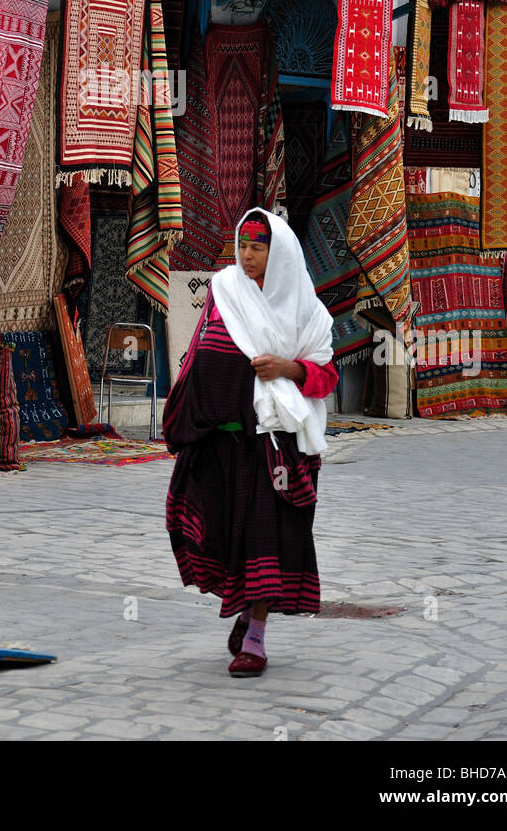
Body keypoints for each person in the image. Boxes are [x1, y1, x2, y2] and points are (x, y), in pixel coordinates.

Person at [164, 207, 338, 677]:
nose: (247, 256)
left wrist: (287, 369)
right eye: (242, 246)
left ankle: (256, 640)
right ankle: (244, 608)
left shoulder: (306, 310)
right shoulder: (224, 292)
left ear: (276, 253)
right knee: (219, 534)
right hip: (219, 440)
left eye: (257, 248)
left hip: (274, 445)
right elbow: (200, 351)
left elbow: (326, 376)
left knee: (266, 538)